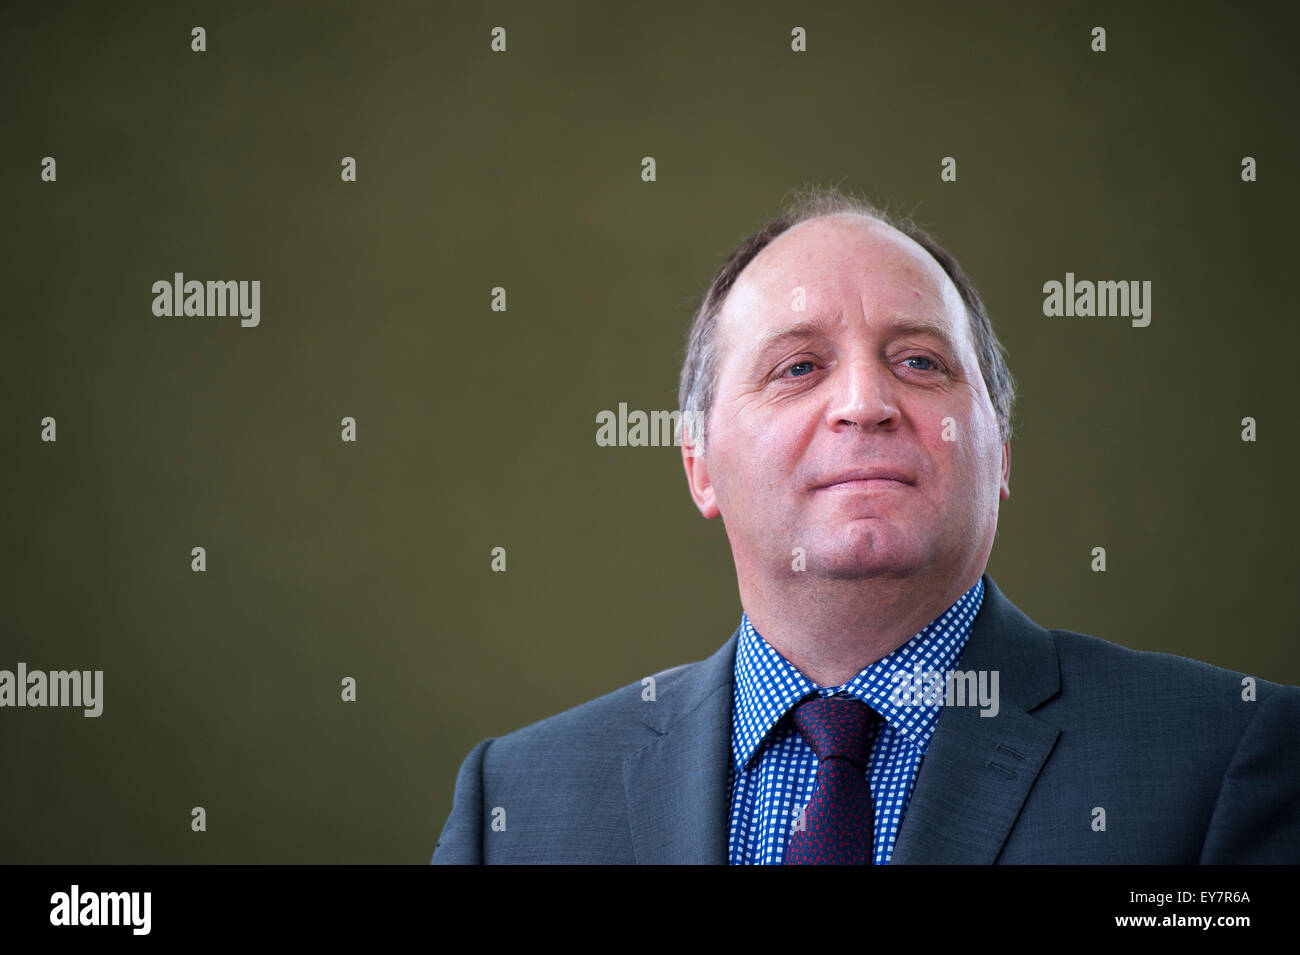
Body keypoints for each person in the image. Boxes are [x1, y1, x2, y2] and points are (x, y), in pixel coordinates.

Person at [431, 186, 1300, 864]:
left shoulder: (1225, 761)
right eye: (798, 366)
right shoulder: (512, 808)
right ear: (699, 463)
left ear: (1000, 453)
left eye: (919, 362)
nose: (864, 403)